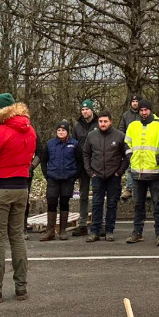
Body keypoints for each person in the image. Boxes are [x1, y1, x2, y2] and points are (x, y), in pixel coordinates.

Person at [0, 93, 37, 303]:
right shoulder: (30, 131)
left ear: (1, 110)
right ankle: (21, 288)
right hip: (21, 187)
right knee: (17, 237)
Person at [125, 99, 159, 246]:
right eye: (141, 110)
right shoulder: (132, 126)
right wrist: (130, 156)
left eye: (146, 110)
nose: (143, 112)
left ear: (150, 110)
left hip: (155, 172)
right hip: (137, 172)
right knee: (138, 205)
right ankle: (137, 232)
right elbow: (127, 143)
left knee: (158, 204)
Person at [83, 110, 128, 242]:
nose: (103, 124)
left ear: (110, 121)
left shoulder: (120, 136)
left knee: (112, 204)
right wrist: (90, 172)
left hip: (113, 176)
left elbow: (127, 156)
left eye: (105, 121)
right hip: (97, 175)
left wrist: (119, 172)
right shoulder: (91, 136)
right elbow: (86, 154)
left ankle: (109, 230)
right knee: (97, 204)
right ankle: (95, 231)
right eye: (101, 121)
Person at [39, 120, 80, 241]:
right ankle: (50, 231)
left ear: (67, 131)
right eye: (59, 130)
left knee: (64, 202)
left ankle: (62, 230)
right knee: (51, 202)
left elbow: (80, 161)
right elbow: (43, 160)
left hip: (68, 178)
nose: (61, 132)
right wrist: (47, 175)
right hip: (53, 178)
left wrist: (74, 177)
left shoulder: (75, 144)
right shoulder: (50, 144)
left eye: (63, 130)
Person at [71, 100, 99, 235]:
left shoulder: (99, 123)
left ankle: (99, 223)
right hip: (82, 165)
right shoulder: (77, 126)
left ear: (92, 110)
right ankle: (82, 224)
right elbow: (74, 145)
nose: (84, 112)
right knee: (83, 195)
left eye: (87, 109)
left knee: (98, 194)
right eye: (82, 110)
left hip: (97, 164)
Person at [119, 94, 142, 201]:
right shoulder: (125, 115)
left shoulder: (143, 114)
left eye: (137, 101)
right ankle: (129, 188)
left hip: (143, 145)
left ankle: (144, 190)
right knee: (129, 168)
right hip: (130, 145)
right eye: (133, 101)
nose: (135, 103)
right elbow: (121, 130)